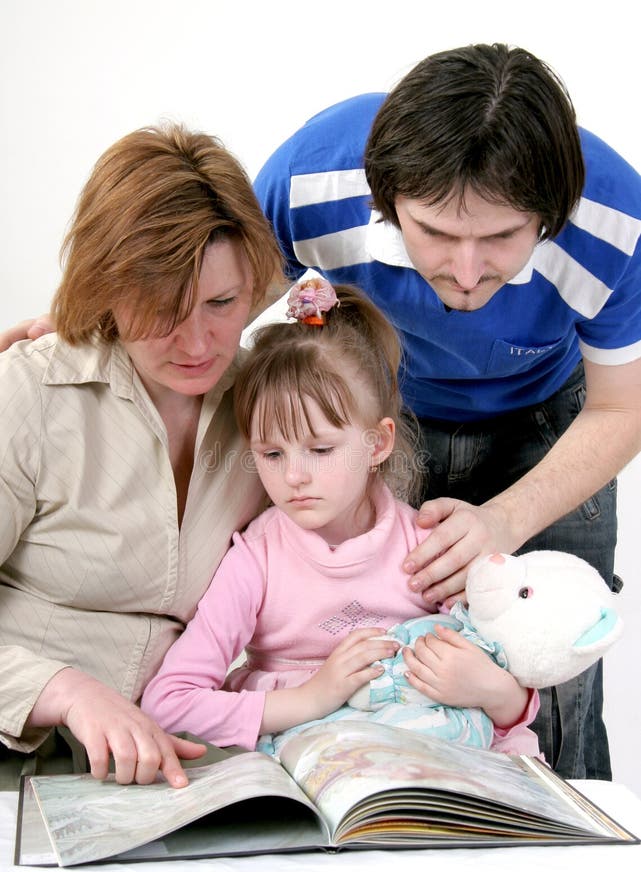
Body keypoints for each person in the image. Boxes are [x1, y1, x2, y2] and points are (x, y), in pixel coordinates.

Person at [252, 43, 641, 780]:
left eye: (500, 238)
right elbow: (212, 309)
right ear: (383, 198)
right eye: (433, 233)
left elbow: (623, 404)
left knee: (553, 668)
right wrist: (95, 330)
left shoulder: (618, 221)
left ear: (553, 216)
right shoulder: (308, 181)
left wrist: (504, 521)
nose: (464, 274)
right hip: (382, 413)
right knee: (374, 650)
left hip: (553, 416)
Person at [141, 278, 539, 759]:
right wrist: (313, 697)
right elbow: (169, 704)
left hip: (428, 777)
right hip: (312, 785)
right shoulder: (257, 559)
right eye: (270, 453)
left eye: (320, 449)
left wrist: (494, 691)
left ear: (377, 443)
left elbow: (510, 712)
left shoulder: (429, 548)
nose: (293, 476)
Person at [0, 122, 285, 789]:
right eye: (161, 308)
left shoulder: (266, 405)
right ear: (106, 286)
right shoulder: (30, 391)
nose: (196, 341)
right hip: (17, 764)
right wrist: (64, 689)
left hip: (184, 777)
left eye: (221, 302)